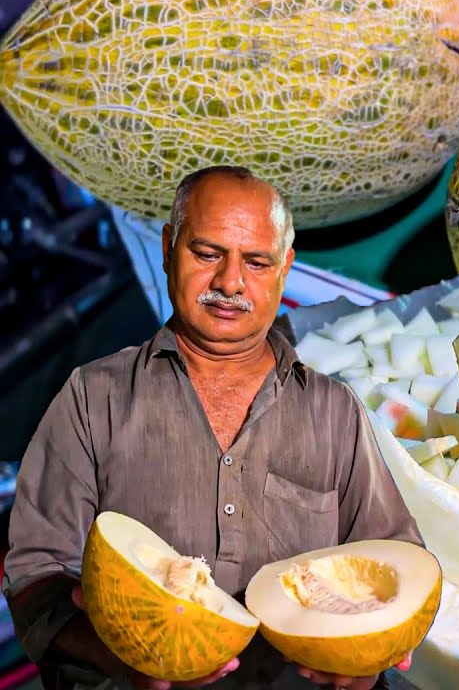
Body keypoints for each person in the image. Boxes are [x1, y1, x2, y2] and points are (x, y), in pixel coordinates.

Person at [3, 166, 426, 690]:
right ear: (168, 247)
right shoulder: (93, 397)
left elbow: (396, 559)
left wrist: (373, 653)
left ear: (285, 268)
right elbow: (34, 576)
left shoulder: (332, 409)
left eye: (256, 261)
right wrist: (120, 657)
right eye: (207, 254)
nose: (230, 283)